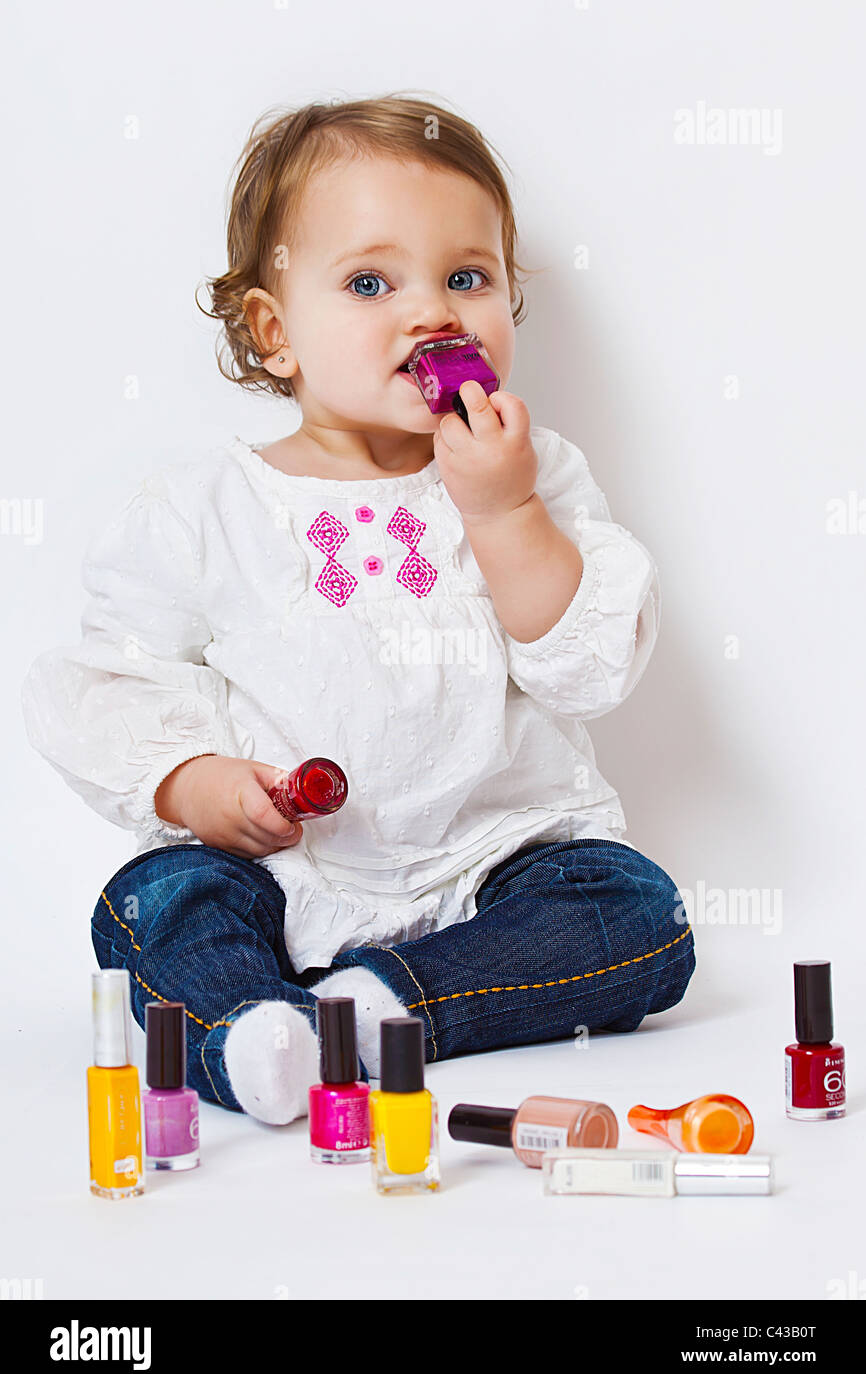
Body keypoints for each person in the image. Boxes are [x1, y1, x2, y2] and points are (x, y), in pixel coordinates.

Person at [21, 93, 695, 1124]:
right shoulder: (206, 509)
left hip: (494, 863)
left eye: (466, 278)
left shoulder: (531, 474)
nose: (433, 313)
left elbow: (584, 669)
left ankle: (390, 1007)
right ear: (274, 331)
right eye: (371, 281)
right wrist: (194, 782)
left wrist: (502, 509)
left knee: (636, 913)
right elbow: (107, 685)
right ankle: (251, 1031)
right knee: (149, 908)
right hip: (286, 874)